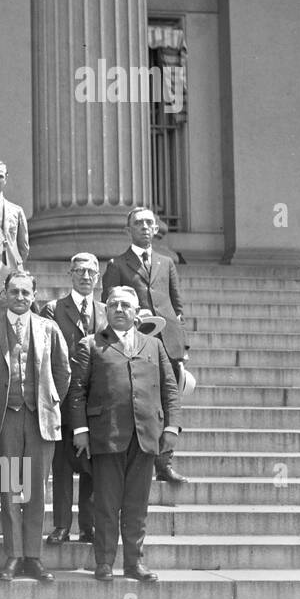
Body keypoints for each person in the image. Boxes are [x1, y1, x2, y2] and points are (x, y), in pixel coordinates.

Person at [67, 286, 182, 582]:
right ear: (106, 311)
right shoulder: (91, 344)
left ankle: (134, 562)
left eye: (126, 305)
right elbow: (77, 391)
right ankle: (104, 562)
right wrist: (80, 430)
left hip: (146, 435)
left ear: (135, 312)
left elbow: (169, 387)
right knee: (105, 503)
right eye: (114, 305)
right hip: (107, 435)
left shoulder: (153, 345)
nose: (119, 309)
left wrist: (170, 426)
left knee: (136, 504)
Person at [0, 273, 70, 583]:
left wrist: (47, 400)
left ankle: (33, 556)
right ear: (5, 293)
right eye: (14, 291)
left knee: (34, 490)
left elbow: (63, 371)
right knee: (8, 491)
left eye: (26, 292)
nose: (20, 297)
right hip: (4, 418)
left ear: (35, 295)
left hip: (38, 418)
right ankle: (13, 555)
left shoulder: (49, 328)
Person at [101, 207, 189, 484]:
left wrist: (181, 345)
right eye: (138, 223)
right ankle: (139, 462)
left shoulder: (167, 263)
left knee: (170, 402)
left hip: (169, 343)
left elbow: (177, 305)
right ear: (128, 230)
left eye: (149, 223)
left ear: (155, 229)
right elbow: (108, 302)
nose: (145, 227)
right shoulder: (117, 264)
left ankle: (165, 462)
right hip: (136, 344)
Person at [40, 253, 105, 544]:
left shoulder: (107, 311)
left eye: (91, 272)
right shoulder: (53, 309)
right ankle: (62, 525)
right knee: (63, 466)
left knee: (94, 464)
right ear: (70, 274)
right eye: (79, 271)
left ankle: (88, 525)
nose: (85, 276)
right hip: (64, 397)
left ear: (98, 276)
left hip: (97, 399)